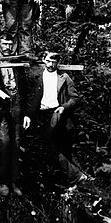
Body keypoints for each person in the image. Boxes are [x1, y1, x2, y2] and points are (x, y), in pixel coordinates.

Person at [26, 50, 84, 184]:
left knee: (48, 144)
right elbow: (31, 98)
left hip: (56, 113)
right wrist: (28, 115)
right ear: (43, 60)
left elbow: (75, 98)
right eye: (48, 61)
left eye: (54, 62)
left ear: (58, 63)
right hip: (40, 115)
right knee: (49, 147)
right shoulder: (37, 77)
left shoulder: (64, 77)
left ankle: (76, 175)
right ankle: (61, 179)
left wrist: (64, 107)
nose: (51, 64)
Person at [0, 33, 30, 196]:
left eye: (10, 44)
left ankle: (15, 182)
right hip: (1, 106)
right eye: (4, 44)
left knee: (17, 143)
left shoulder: (17, 61)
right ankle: (2, 182)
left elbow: (25, 89)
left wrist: (26, 114)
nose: (7, 47)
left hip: (16, 104)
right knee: (4, 142)